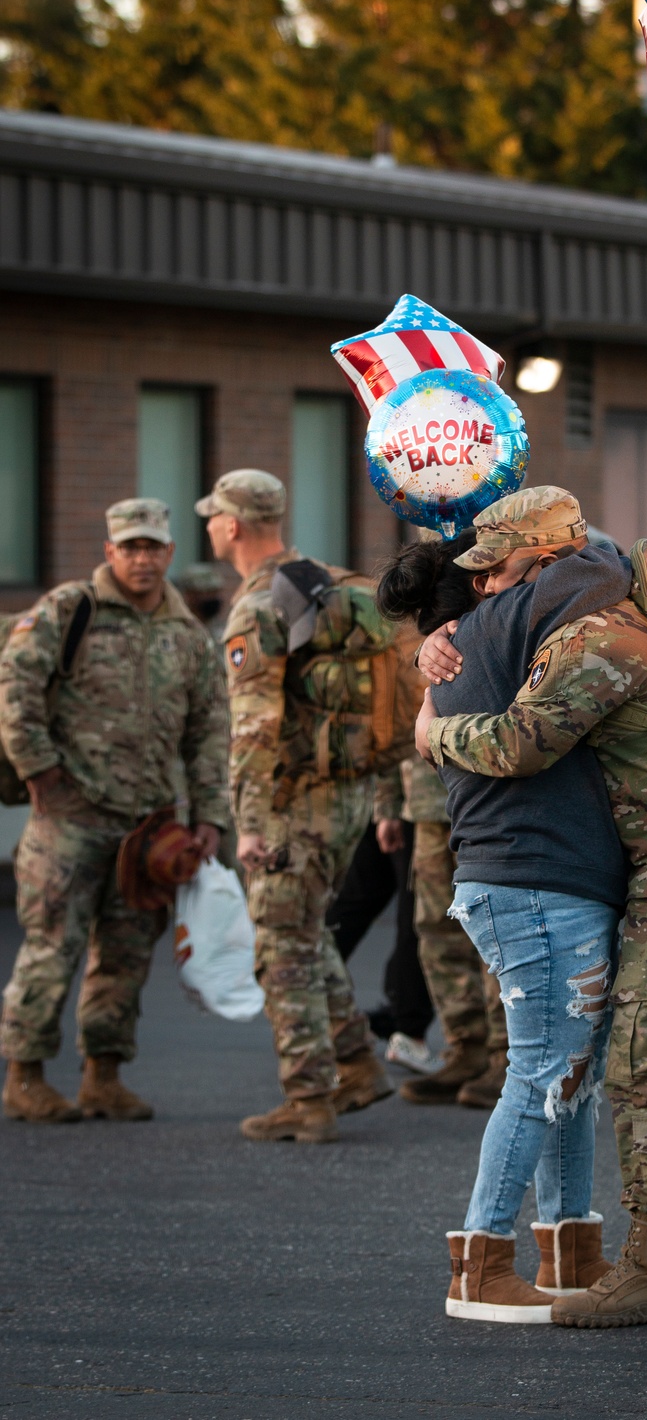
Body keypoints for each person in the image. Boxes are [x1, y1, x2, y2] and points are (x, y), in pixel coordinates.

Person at [418, 485, 647, 1328]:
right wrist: (439, 638)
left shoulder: (596, 635)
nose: (483, 587)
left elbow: (520, 742)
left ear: (543, 561)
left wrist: (433, 732)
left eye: (495, 571)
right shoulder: (625, 605)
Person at [379, 511, 630, 1323]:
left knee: (570, 1078)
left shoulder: (464, 645)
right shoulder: (501, 624)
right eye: (516, 566)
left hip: (531, 882)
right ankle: (481, 1267)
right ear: (491, 581)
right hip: (538, 885)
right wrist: (556, 534)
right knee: (543, 1074)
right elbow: (606, 565)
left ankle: (567, 1253)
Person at [0, 498, 228, 1123]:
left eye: (152, 547)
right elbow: (15, 685)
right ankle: (25, 1076)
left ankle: (103, 1075)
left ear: (169, 553)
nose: (142, 559)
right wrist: (37, 769)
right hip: (70, 816)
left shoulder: (187, 634)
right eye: (130, 547)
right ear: (110, 551)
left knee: (126, 954)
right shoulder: (69, 610)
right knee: (53, 947)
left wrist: (209, 816)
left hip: (148, 827)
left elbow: (209, 730)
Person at [200, 468, 397, 1143]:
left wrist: (251, 823)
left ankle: (309, 1098)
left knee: (281, 947)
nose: (210, 527)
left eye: (213, 517)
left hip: (291, 803)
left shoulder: (259, 605)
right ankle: (357, 1064)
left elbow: (254, 725)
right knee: (309, 933)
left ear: (231, 525)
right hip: (346, 795)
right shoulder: (323, 584)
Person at [373, 755, 508, 1108]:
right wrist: (388, 805)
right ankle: (468, 1049)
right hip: (427, 802)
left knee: (490, 929)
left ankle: (506, 1057)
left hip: (485, 794)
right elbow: (394, 727)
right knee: (436, 931)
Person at [327, 806, 441, 1076]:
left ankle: (306, 1001)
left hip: (382, 802)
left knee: (355, 902)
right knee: (417, 911)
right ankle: (409, 1031)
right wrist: (388, 807)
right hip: (409, 806)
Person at [175, 562, 228, 639]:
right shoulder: (175, 629)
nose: (213, 597)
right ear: (189, 595)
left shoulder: (223, 630)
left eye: (216, 592)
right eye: (208, 592)